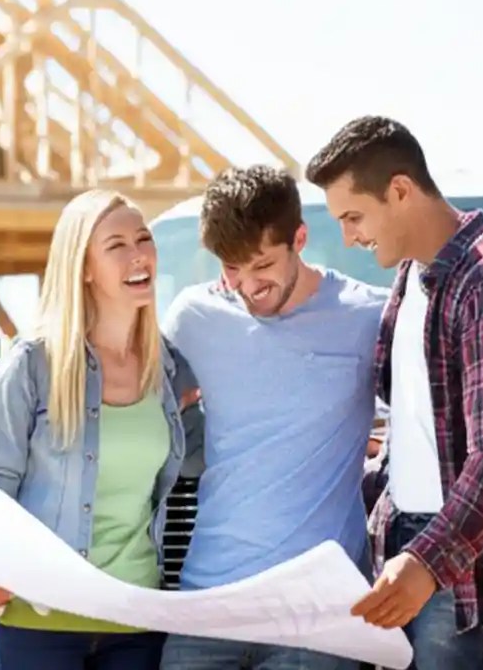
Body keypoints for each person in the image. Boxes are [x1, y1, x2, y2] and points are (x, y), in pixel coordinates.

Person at [304, 115, 483, 670]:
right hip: (411, 550)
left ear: (400, 190)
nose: (348, 236)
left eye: (354, 216)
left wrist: (426, 562)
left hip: (472, 579)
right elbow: (418, 428)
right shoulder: (414, 275)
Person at [159, 164, 388, 670]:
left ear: (299, 239)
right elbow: (131, 414)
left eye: (260, 265)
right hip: (207, 604)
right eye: (230, 268)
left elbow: (422, 424)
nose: (245, 285)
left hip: (318, 618)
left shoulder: (366, 317)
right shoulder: (194, 318)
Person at [0, 189, 194, 670]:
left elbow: (215, 450)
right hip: (39, 619)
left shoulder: (168, 368)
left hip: (134, 620)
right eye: (117, 246)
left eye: (143, 239)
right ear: (84, 267)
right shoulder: (32, 365)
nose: (138, 255)